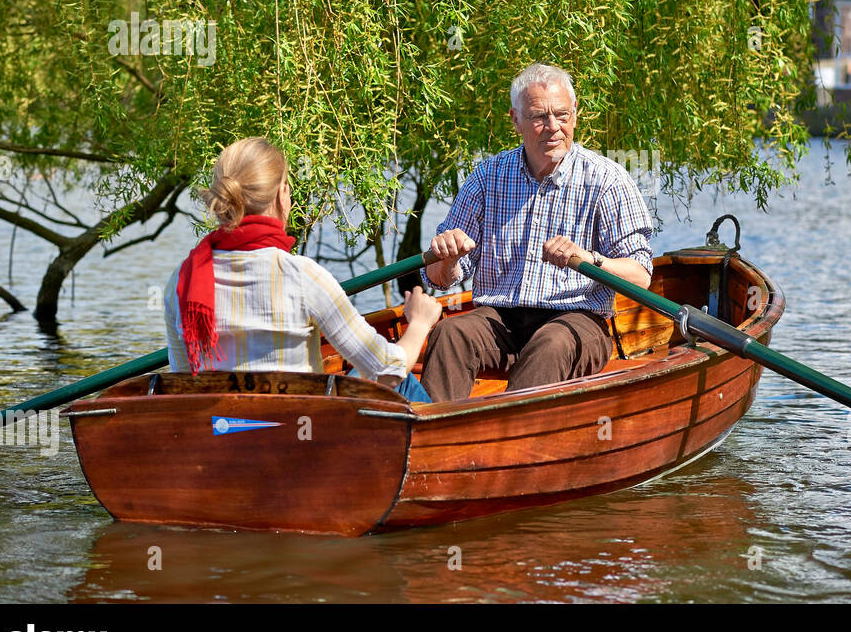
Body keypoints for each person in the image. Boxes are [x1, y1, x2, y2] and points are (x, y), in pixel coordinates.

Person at [420, 63, 653, 401]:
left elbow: (641, 276)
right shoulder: (487, 178)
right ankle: (432, 439)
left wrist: (588, 259)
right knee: (450, 332)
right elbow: (438, 279)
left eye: (561, 115)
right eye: (539, 117)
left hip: (578, 319)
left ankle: (508, 442)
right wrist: (447, 258)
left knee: (551, 344)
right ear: (515, 120)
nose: (553, 128)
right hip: (498, 318)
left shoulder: (607, 180)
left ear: (575, 114)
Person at [164, 137, 439, 402]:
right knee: (401, 381)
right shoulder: (302, 276)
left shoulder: (182, 280)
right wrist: (419, 323)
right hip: (298, 434)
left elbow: (184, 385)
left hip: (220, 431)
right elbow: (387, 371)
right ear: (283, 196)